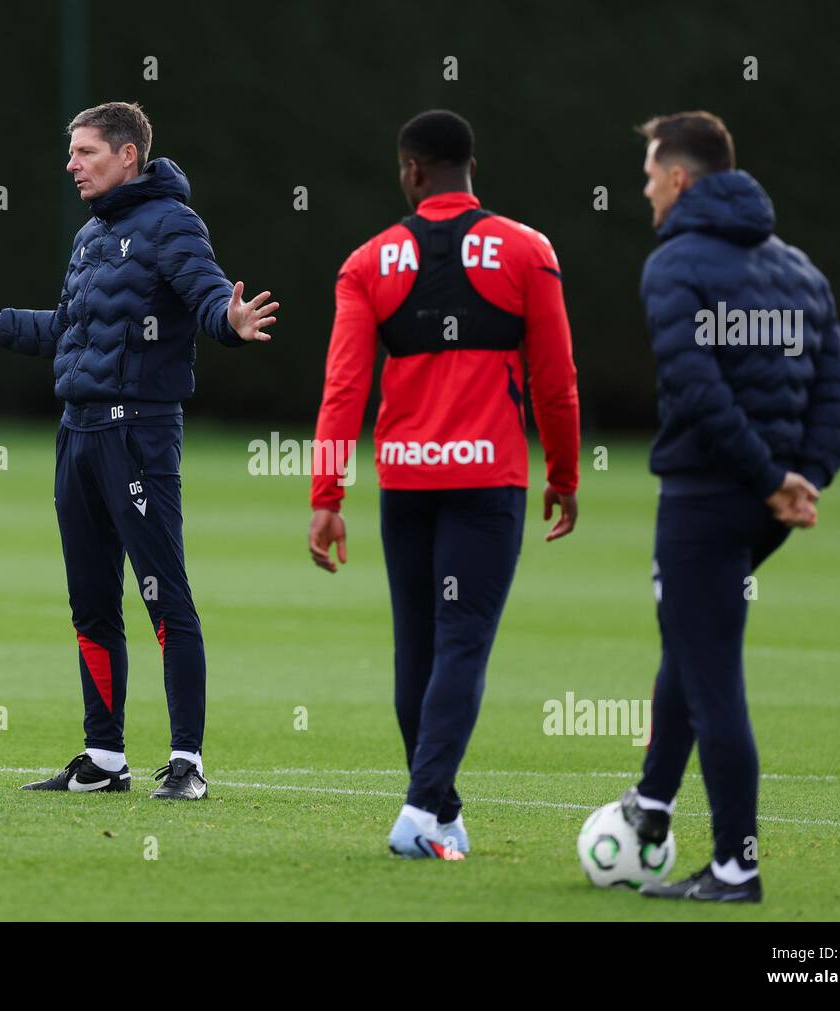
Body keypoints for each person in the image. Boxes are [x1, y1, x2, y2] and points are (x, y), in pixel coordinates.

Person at [0, 101, 278, 800]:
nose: (71, 164)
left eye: (85, 152)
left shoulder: (172, 223)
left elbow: (210, 298)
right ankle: (103, 757)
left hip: (139, 434)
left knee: (163, 596)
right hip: (78, 434)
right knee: (90, 602)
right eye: (72, 152)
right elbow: (67, 329)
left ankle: (187, 762)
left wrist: (232, 324)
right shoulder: (92, 235)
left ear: (128, 156)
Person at [309, 109, 581, 858]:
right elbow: (556, 382)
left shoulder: (368, 262)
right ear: (470, 165)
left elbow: (343, 391)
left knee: (417, 648)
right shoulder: (528, 250)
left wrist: (326, 497)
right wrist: (563, 473)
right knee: (462, 645)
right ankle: (422, 811)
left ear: (411, 171)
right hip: (489, 482)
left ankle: (443, 814)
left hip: (409, 485)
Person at [618, 111, 840, 900]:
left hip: (707, 496)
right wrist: (802, 478)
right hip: (763, 506)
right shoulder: (799, 269)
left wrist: (764, 477)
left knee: (713, 671)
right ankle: (652, 800)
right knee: (692, 636)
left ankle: (734, 866)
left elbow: (695, 386)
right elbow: (836, 390)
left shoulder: (673, 265)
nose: (646, 189)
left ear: (681, 179)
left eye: (652, 175)